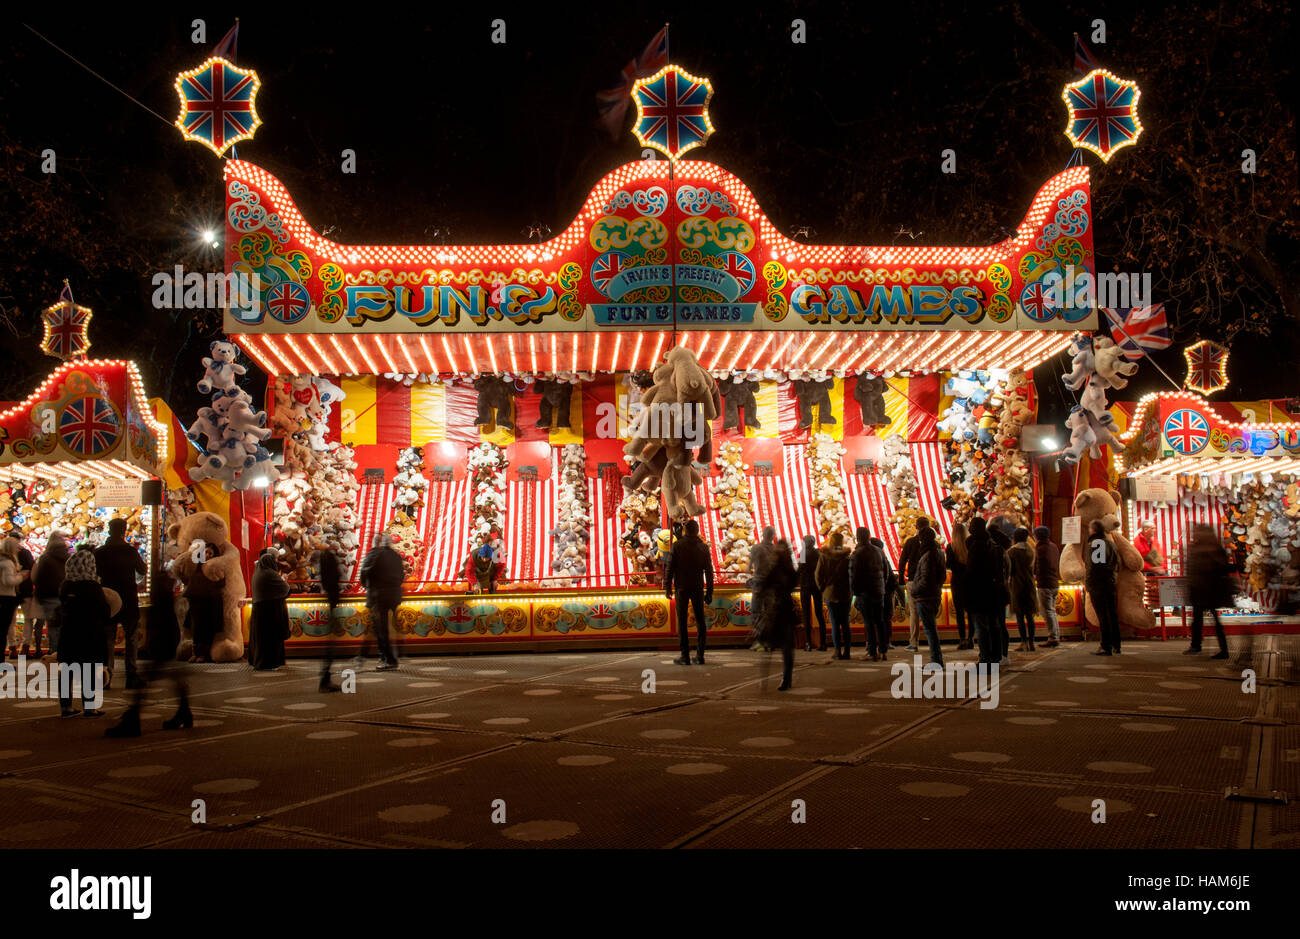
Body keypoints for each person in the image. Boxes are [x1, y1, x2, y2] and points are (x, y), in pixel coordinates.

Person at [106, 566, 192, 737]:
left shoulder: (160, 591)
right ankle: (183, 712)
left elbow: (160, 616)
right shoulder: (164, 590)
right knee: (174, 677)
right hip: (166, 638)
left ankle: (133, 719)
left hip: (163, 639)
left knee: (150, 679)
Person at [95, 518, 148, 689]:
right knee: (131, 637)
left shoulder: (100, 552)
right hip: (128, 598)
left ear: (109, 530)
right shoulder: (130, 551)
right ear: (124, 530)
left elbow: (94, 572)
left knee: (107, 639)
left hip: (108, 599)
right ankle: (131, 675)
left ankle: (107, 675)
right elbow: (142, 569)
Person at [57, 548, 109, 718]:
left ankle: (66, 707)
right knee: (89, 669)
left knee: (67, 670)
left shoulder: (66, 585)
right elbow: (104, 610)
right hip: (90, 633)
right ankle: (89, 706)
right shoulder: (92, 587)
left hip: (69, 633)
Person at [665, 519, 713, 664]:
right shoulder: (703, 548)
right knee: (700, 621)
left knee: (682, 622)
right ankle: (700, 655)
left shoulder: (677, 546)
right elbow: (709, 571)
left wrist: (667, 587)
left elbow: (670, 568)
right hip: (697, 587)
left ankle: (684, 656)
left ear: (685, 531)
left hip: (682, 587)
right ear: (697, 531)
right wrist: (709, 591)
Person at [754, 538, 799, 690]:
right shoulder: (782, 568)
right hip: (779, 610)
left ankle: (786, 678)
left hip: (780, 610)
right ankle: (786, 678)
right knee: (783, 646)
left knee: (783, 647)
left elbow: (765, 586)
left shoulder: (782, 568)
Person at [1185, 524, 1232, 659]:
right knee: (1202, 619)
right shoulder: (1212, 547)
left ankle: (1216, 648)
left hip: (1207, 589)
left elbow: (1219, 567)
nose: (1194, 533)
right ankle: (1198, 645)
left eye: (1197, 531)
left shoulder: (1208, 548)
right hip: (1203, 589)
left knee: (1206, 619)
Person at [359, 533, 404, 670]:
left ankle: (387, 659)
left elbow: (365, 573)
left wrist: (367, 586)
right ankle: (386, 657)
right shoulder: (396, 556)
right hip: (393, 595)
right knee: (384, 628)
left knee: (381, 629)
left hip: (379, 596)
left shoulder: (374, 554)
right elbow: (401, 575)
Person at [965, 518, 1006, 666]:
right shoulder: (992, 544)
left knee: (981, 627)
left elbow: (971, 572)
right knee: (994, 625)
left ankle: (985, 659)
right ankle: (995, 657)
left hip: (979, 592)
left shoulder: (977, 546)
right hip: (992, 591)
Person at [910, 526, 947, 666]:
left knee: (930, 630)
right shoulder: (939, 553)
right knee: (931, 629)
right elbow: (942, 576)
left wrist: (915, 590)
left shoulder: (928, 555)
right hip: (935, 594)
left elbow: (925, 578)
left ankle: (936, 660)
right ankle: (936, 659)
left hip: (925, 596)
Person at [183, 542, 225, 663]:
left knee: (207, 627)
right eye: (206, 552)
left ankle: (204, 654)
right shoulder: (196, 565)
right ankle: (195, 652)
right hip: (196, 599)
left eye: (210, 553)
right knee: (196, 626)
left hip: (210, 600)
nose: (207, 555)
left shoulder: (216, 567)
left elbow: (221, 582)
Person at [1084, 520, 1121, 656]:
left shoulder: (1093, 544)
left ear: (1093, 530)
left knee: (1102, 615)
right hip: (1110, 582)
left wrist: (1088, 583)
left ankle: (1105, 645)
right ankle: (1117, 644)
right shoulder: (1111, 544)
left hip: (1097, 583)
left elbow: (1092, 567)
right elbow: (1117, 563)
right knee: (1112, 614)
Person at [249, 550, 290, 670]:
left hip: (260, 610)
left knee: (261, 639)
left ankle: (258, 661)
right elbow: (286, 589)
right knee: (270, 639)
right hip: (269, 611)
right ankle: (268, 663)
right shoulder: (269, 574)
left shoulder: (258, 573)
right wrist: (283, 579)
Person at [849, 526, 886, 661]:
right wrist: (883, 584)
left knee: (869, 622)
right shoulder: (878, 551)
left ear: (858, 537)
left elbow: (853, 575)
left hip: (865, 592)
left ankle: (872, 651)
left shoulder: (857, 554)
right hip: (878, 590)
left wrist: (854, 592)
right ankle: (883, 650)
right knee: (880, 621)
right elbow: (886, 569)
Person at [33, 532, 70, 659]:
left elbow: (39, 577)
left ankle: (54, 652)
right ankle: (63, 651)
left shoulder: (45, 558)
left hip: (48, 596)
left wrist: (39, 594)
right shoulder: (68, 557)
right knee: (63, 625)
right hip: (64, 594)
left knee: (53, 625)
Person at [816, 531, 852, 659]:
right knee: (845, 623)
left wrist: (822, 589)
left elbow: (818, 575)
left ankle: (837, 651)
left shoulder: (824, 557)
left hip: (830, 593)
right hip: (845, 594)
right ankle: (847, 651)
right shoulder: (847, 557)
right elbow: (852, 576)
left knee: (835, 624)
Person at [898, 517, 931, 652]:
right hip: (927, 580)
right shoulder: (931, 543)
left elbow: (902, 560)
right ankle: (932, 641)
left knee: (914, 612)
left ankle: (914, 642)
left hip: (912, 580)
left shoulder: (910, 542)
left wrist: (900, 577)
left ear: (916, 527)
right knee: (928, 612)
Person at [1006, 527, 1038, 652]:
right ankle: (1032, 642)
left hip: (1016, 585)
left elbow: (1009, 570)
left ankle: (1023, 641)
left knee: (1020, 615)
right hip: (1029, 584)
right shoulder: (1031, 550)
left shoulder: (1012, 552)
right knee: (1029, 615)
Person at [317, 546, 343, 692]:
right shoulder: (332, 578)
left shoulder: (325, 566)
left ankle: (325, 678)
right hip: (332, 604)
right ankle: (325, 680)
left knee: (331, 645)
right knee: (330, 646)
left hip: (331, 602)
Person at [5, 534, 35, 658]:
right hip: (24, 590)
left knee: (10, 621)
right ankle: (25, 647)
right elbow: (32, 569)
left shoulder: (4, 558)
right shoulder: (25, 554)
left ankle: (12, 648)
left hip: (10, 592)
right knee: (28, 618)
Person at [797, 534, 828, 651]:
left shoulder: (804, 553)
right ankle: (823, 643)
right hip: (816, 585)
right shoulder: (819, 553)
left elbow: (800, 568)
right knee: (819, 614)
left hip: (806, 585)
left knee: (806, 614)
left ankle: (808, 643)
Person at [989, 524, 1013, 665]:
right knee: (1001, 624)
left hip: (995, 591)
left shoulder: (994, 552)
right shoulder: (1005, 553)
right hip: (1003, 590)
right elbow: (1008, 573)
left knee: (995, 624)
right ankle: (1003, 654)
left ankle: (999, 654)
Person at [1034, 525, 1061, 648]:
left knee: (1047, 611)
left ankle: (1053, 637)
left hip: (1045, 583)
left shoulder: (1041, 548)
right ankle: (1055, 635)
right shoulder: (1054, 546)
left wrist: (1036, 574)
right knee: (1051, 611)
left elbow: (1039, 566)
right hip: (1054, 582)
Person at [946, 523, 971, 649]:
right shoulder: (970, 545)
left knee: (960, 612)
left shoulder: (951, 547)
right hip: (971, 581)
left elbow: (948, 565)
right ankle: (971, 638)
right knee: (971, 612)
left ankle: (962, 638)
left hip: (957, 582)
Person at [0, 539, 25, 662]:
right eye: (16, 547)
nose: (18, 549)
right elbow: (9, 581)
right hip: (6, 598)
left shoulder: (2, 561)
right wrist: (21, 577)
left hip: (3, 598)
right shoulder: (8, 563)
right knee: (3, 630)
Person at [872, 536, 896, 660]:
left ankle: (877, 646)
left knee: (878, 620)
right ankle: (886, 643)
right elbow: (890, 577)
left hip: (878, 592)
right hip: (886, 592)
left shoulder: (874, 559)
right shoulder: (884, 559)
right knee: (885, 619)